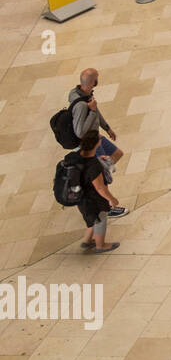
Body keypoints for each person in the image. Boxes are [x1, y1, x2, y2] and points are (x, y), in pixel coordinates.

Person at [68, 68, 128, 217]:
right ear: (93, 82)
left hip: (97, 136)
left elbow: (96, 111)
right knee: (99, 178)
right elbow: (79, 131)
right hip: (89, 143)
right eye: (97, 77)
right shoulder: (81, 105)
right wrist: (93, 111)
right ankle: (107, 207)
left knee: (117, 153)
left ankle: (101, 172)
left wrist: (106, 127)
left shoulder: (85, 95)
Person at [67, 130, 119, 254]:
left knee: (92, 218)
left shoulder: (75, 155)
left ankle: (87, 241)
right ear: (97, 144)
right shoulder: (93, 166)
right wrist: (112, 199)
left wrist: (99, 159)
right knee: (100, 219)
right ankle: (101, 246)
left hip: (79, 196)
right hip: (92, 198)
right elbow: (100, 188)